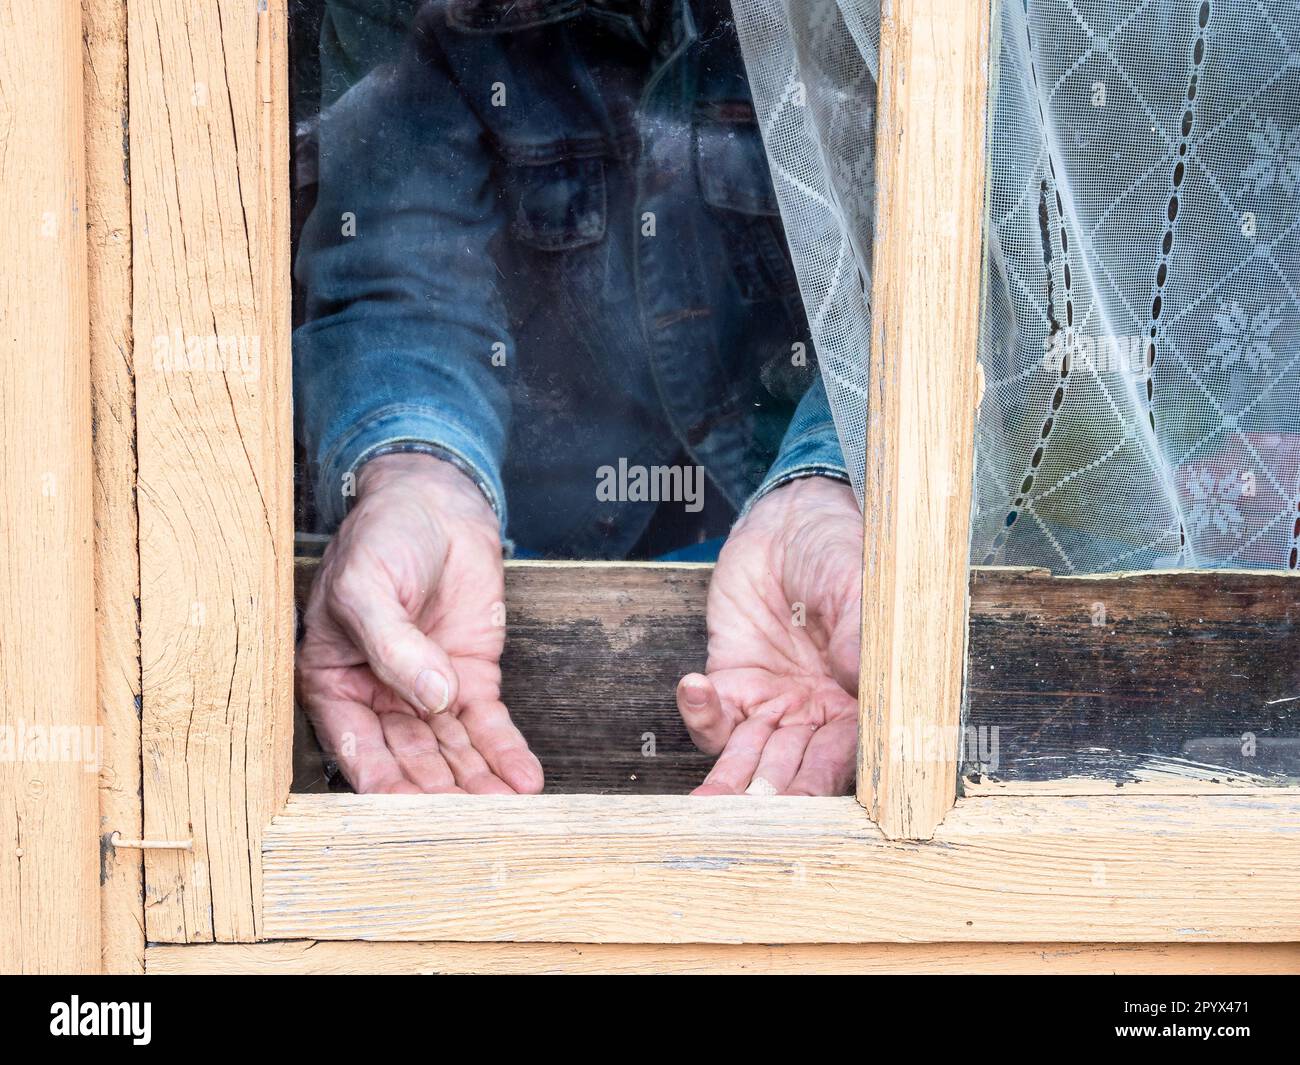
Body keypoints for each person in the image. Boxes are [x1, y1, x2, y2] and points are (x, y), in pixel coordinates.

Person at [292, 0, 863, 796]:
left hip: (790, 603)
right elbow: (398, 261)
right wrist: (415, 475)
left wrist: (838, 480)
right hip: (495, 589)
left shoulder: (877, 21)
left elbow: (935, 277)